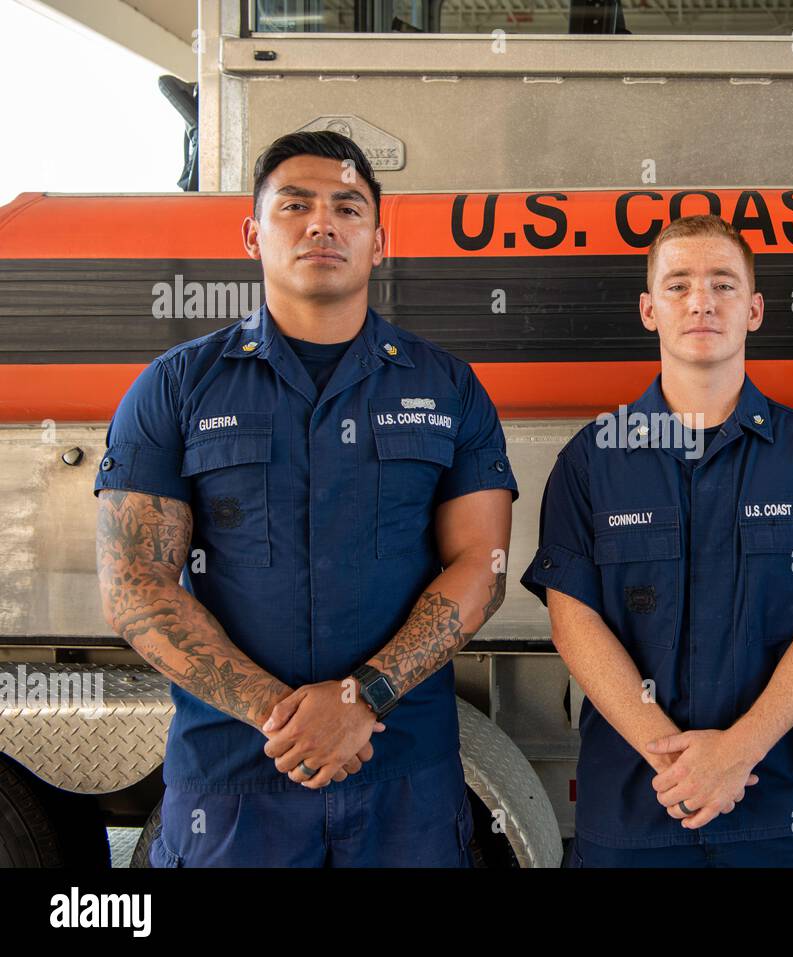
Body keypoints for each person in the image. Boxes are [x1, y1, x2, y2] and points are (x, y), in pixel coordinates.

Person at [94, 130, 516, 866]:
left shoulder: (447, 387)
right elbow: (135, 585)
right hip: (235, 780)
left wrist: (361, 700)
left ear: (379, 243)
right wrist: (287, 719)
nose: (323, 224)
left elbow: (483, 564)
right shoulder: (176, 386)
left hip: (402, 778)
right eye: (295, 205)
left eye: (348, 208)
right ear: (252, 235)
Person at [521, 214, 793, 866]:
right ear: (649, 309)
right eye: (678, 284)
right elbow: (573, 622)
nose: (701, 302)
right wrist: (679, 764)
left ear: (754, 309)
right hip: (638, 807)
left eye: (723, 284)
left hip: (783, 809)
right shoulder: (591, 460)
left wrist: (737, 752)